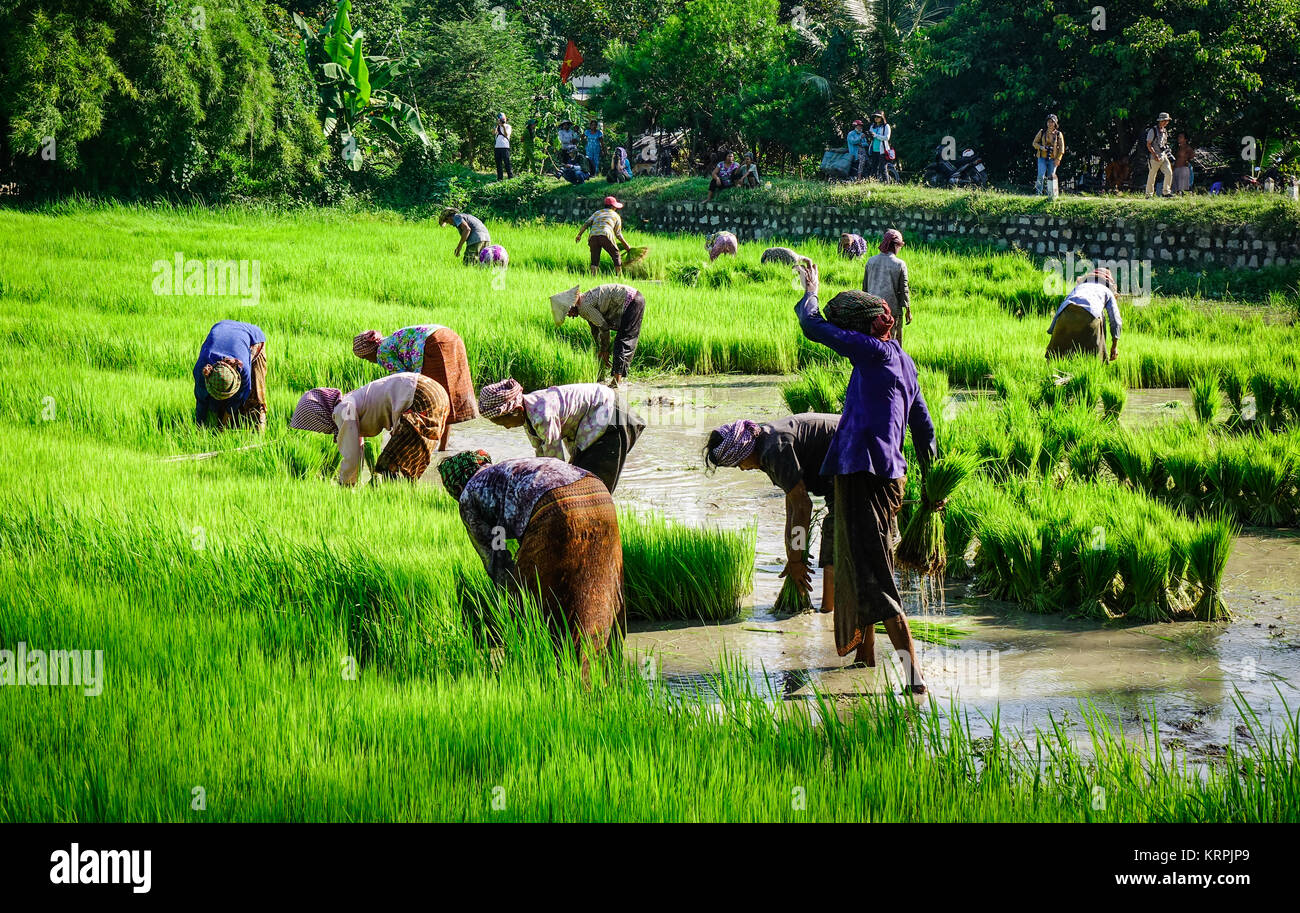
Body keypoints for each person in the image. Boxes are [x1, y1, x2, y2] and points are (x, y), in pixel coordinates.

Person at [793, 262, 935, 693]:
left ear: (869, 330)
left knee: (874, 571)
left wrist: (811, 292)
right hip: (888, 478)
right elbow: (924, 430)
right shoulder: (905, 364)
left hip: (864, 473)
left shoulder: (873, 352)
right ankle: (865, 657)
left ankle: (914, 677)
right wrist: (931, 484)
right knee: (858, 565)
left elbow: (815, 328)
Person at [438, 450, 625, 665]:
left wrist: (512, 604)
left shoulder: (469, 494)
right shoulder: (504, 472)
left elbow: (496, 560)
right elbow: (500, 532)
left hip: (556, 506)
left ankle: (548, 665)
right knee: (601, 583)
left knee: (540, 595)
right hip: (598, 492)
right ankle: (607, 665)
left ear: (455, 486)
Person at [703, 414, 840, 614]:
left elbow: (803, 505)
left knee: (835, 531)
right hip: (840, 467)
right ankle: (829, 609)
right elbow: (792, 501)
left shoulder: (773, 450)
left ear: (744, 452)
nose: (742, 469)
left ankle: (828, 611)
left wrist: (796, 558)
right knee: (834, 530)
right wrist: (792, 553)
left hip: (859, 455)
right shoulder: (765, 442)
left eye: (738, 463)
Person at [478, 379, 645, 492]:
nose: (506, 428)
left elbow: (555, 464)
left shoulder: (542, 414)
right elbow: (541, 456)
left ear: (517, 411)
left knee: (593, 487)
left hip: (610, 417)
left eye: (503, 422)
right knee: (579, 477)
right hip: (595, 421)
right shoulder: (528, 416)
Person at [289, 373, 449, 486]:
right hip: (434, 391)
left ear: (319, 415)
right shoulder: (350, 401)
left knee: (391, 468)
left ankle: (395, 509)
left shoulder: (344, 409)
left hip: (420, 395)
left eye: (315, 425)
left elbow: (352, 455)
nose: (320, 430)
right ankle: (403, 506)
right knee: (407, 466)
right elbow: (358, 448)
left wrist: (344, 485)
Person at [350, 325, 479, 450]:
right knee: (446, 395)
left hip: (433, 344)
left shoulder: (382, 353)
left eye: (365, 358)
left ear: (370, 351)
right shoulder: (391, 341)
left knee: (434, 400)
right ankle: (443, 447)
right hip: (450, 337)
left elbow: (404, 382)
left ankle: (436, 447)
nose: (369, 362)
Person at [551, 283, 646, 389]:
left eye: (568, 312)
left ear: (571, 305)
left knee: (622, 342)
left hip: (632, 302)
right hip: (634, 298)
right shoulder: (583, 301)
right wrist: (598, 347)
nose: (570, 316)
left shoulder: (584, 307)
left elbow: (604, 327)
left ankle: (616, 383)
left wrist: (604, 349)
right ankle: (617, 379)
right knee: (621, 341)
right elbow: (595, 327)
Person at [193, 320, 268, 432]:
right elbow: (201, 401)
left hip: (253, 339)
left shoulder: (242, 368)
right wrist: (199, 429)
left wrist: (224, 424)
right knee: (213, 405)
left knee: (255, 398)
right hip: (222, 327)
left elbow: (240, 396)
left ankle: (259, 435)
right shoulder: (201, 370)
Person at [1045, 268, 1122, 362]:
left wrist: (1052, 330)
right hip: (1090, 317)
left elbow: (1061, 308)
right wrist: (1114, 346)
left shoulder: (1079, 288)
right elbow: (1116, 320)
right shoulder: (1107, 291)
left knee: (1055, 357)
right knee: (1094, 361)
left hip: (1065, 315)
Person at [863, 229, 912, 346]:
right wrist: (908, 311)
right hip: (891, 312)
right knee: (892, 344)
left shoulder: (871, 261)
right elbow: (904, 290)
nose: (900, 249)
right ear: (895, 246)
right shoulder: (899, 264)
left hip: (872, 310)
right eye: (900, 246)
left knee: (873, 343)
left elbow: (864, 288)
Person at [574, 196, 631, 276]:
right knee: (616, 254)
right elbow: (618, 234)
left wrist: (579, 235)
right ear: (613, 206)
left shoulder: (597, 213)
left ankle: (593, 278)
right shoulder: (615, 215)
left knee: (595, 259)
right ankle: (619, 276)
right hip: (605, 235)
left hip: (593, 236)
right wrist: (627, 246)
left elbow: (587, 223)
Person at [1032, 114, 1065, 199]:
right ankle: (1038, 194)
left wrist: (1058, 159)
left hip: (1053, 159)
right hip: (1042, 157)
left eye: (1052, 122)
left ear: (1055, 123)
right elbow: (1034, 143)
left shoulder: (1058, 134)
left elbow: (1062, 148)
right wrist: (1041, 147)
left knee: (1051, 177)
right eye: (1048, 122)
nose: (1050, 124)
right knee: (1040, 175)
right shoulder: (1042, 132)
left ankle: (1051, 195)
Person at [1145, 113, 1174, 198]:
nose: (1166, 122)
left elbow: (1164, 144)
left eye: (1167, 121)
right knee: (1152, 175)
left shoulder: (1165, 131)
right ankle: (1149, 195)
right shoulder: (1153, 130)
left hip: (1163, 155)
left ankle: (1166, 192)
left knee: (1169, 172)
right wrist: (1154, 155)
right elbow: (1148, 144)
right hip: (1154, 157)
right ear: (1160, 121)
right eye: (1165, 120)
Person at [868, 112, 892, 181]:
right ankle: (873, 183)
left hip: (882, 150)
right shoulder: (872, 126)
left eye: (878, 117)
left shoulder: (886, 126)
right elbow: (871, 136)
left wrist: (876, 135)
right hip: (873, 149)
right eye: (875, 117)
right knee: (873, 168)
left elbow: (887, 138)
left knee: (883, 168)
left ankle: (886, 184)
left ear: (882, 118)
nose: (876, 118)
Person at [493, 113, 513, 180]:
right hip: (497, 147)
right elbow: (493, 133)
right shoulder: (497, 127)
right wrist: (496, 125)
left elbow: (506, 134)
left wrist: (503, 126)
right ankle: (500, 178)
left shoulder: (508, 126)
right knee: (498, 163)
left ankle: (510, 177)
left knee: (507, 162)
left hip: (505, 146)